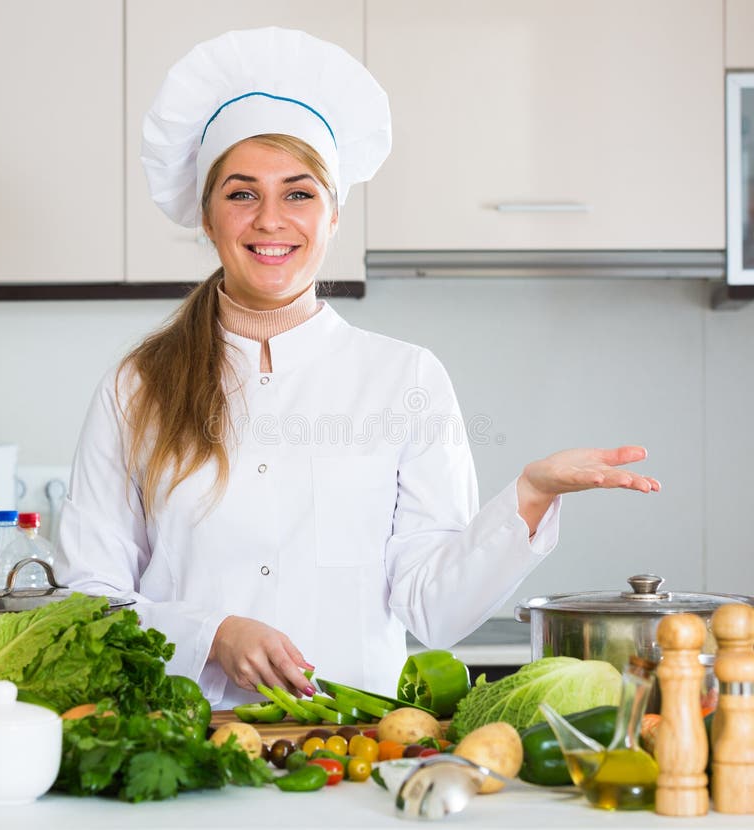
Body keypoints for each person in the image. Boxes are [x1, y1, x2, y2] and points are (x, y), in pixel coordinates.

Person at [57, 27, 660, 709]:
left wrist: (529, 495)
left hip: (349, 759)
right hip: (175, 745)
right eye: (242, 193)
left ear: (335, 212)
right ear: (207, 216)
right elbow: (88, 602)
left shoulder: (406, 380)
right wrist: (209, 634)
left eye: (299, 193)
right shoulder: (136, 387)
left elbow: (434, 610)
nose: (271, 219)